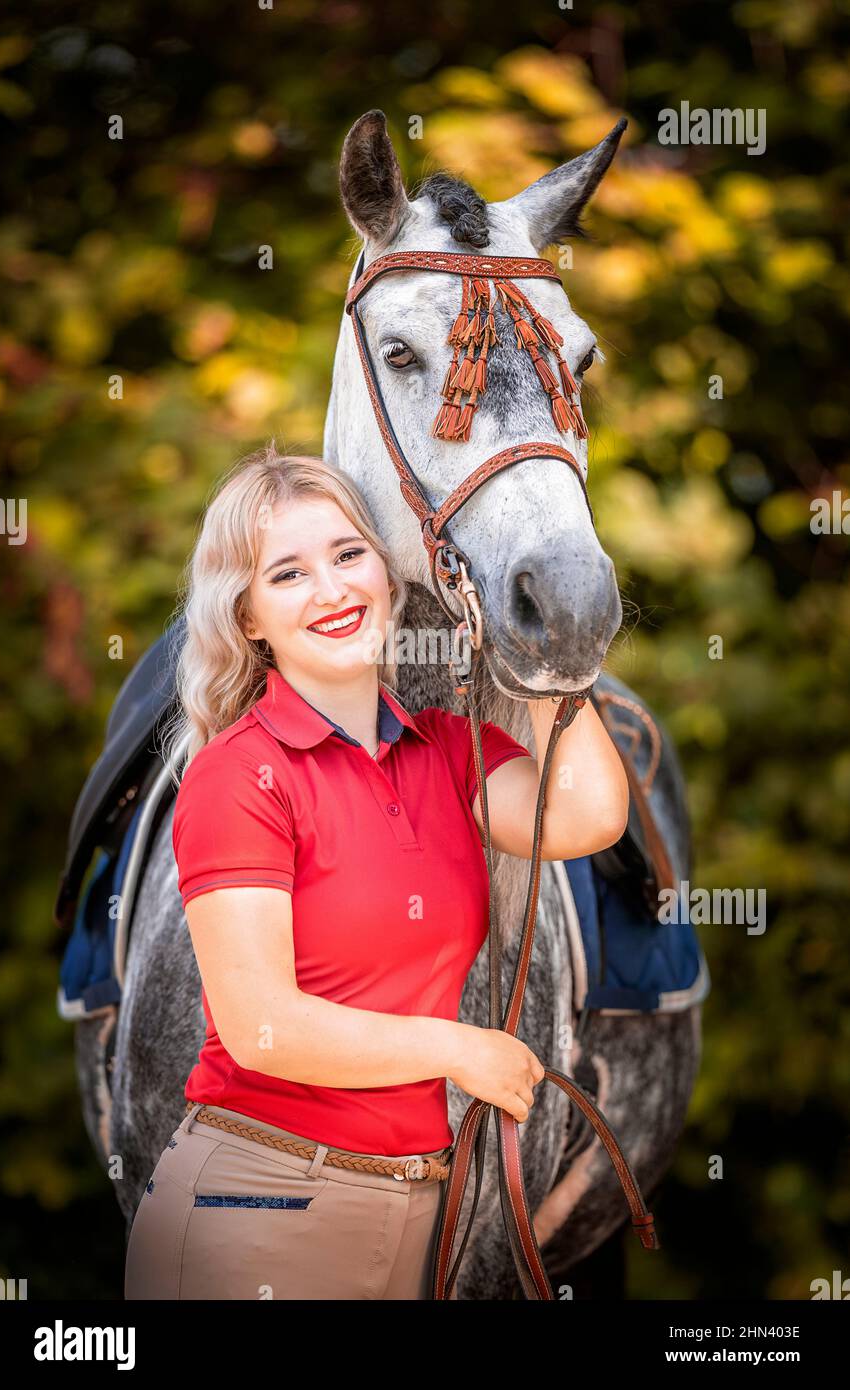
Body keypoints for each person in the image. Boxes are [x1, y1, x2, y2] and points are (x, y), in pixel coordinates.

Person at [123, 444, 629, 1301]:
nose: (332, 590)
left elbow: (585, 814)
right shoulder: (239, 773)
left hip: (411, 1210)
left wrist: (551, 648)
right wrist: (458, 1050)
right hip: (258, 1206)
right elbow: (260, 1028)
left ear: (390, 579)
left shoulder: (444, 751)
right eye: (288, 574)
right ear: (247, 617)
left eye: (349, 555)